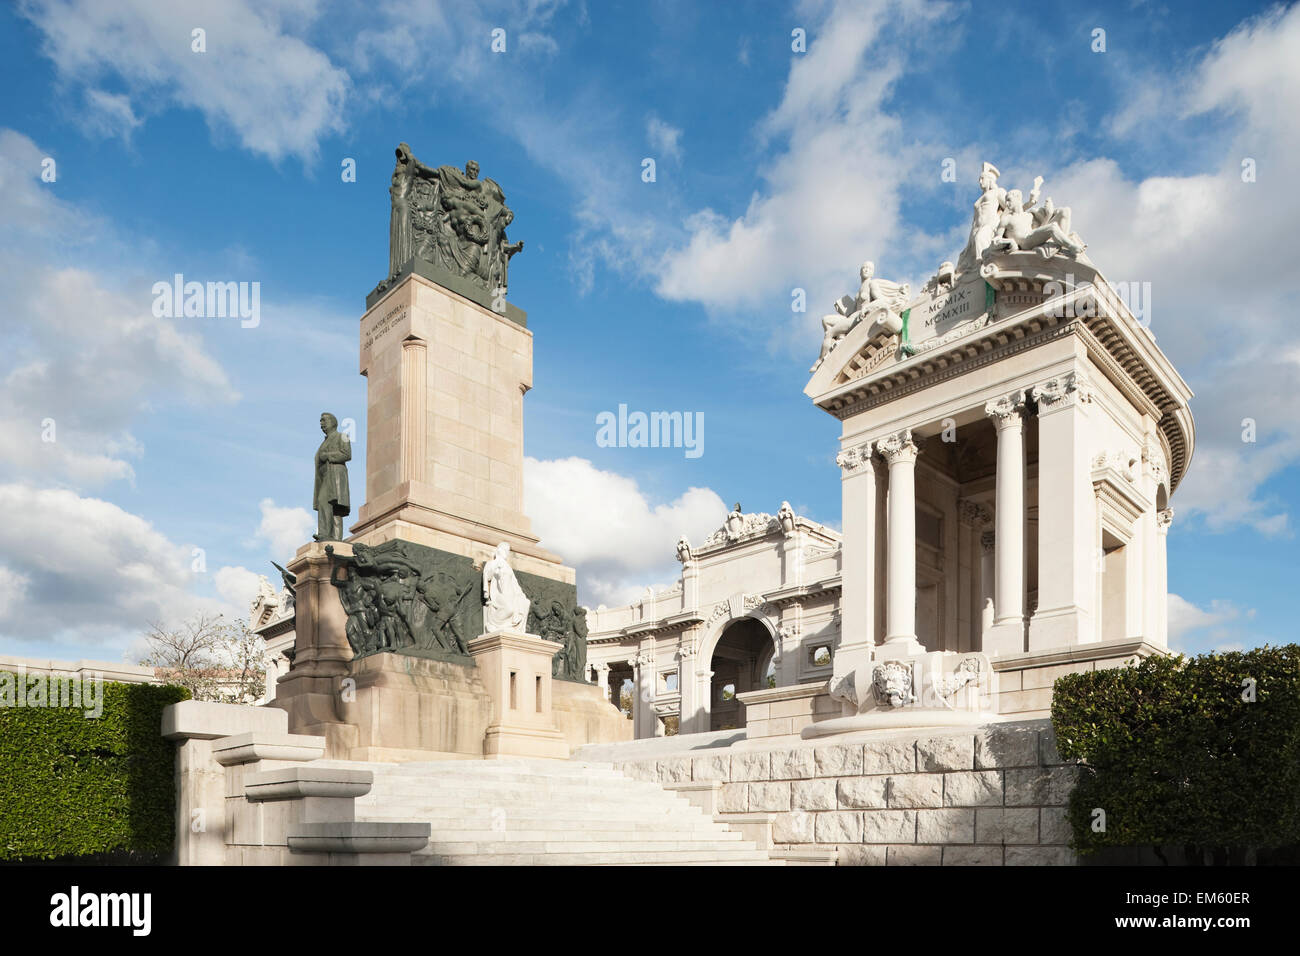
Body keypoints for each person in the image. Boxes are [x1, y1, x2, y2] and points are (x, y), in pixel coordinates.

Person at [312, 413, 350, 541]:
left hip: (335, 475)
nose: (321, 423)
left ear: (333, 422)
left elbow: (346, 454)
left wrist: (328, 456)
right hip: (325, 477)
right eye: (320, 421)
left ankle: (324, 534)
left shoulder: (343, 436)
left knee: (324, 501)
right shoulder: (324, 442)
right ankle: (336, 539)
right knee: (335, 508)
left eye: (324, 420)